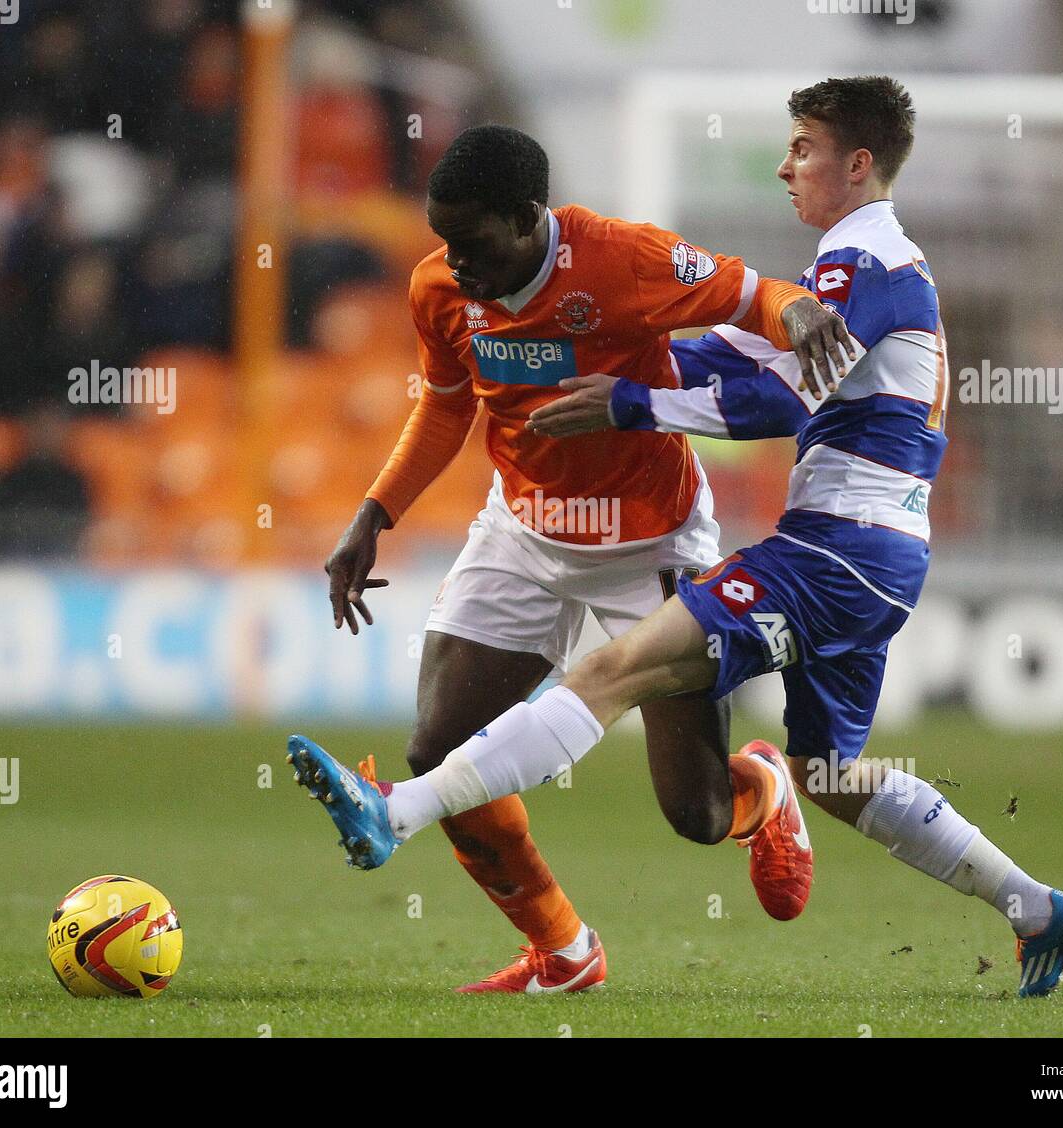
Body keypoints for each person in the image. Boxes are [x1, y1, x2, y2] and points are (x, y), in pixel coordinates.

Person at [294, 78, 1063, 999]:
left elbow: (779, 385)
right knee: (831, 772)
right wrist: (383, 505)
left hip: (815, 550)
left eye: (802, 147)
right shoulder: (866, 263)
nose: (785, 164)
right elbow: (724, 354)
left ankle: (394, 816)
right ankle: (1036, 906)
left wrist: (636, 397)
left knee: (637, 722)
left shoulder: (853, 266)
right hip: (838, 551)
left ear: (859, 164)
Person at [317, 123, 851, 994]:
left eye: (474, 241)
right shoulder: (439, 288)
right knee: (437, 750)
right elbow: (448, 409)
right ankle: (564, 954)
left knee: (695, 814)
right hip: (521, 534)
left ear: (529, 217)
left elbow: (754, 293)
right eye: (443, 240)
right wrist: (376, 512)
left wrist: (798, 309)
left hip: (652, 543)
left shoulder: (623, 260)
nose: (456, 261)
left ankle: (758, 789)